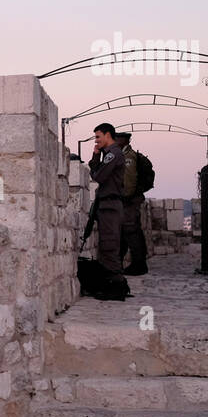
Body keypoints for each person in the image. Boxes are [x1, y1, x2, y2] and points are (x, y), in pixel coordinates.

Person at [86, 123, 128, 299]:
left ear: (108, 135)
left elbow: (98, 176)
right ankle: (113, 284)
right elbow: (97, 172)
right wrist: (96, 156)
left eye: (98, 137)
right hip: (107, 205)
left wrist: (97, 159)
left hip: (110, 205)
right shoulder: (108, 154)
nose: (96, 141)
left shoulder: (113, 154)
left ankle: (116, 288)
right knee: (106, 245)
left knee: (110, 245)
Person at [115, 131, 149, 276]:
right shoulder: (124, 155)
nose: (115, 140)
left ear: (124, 140)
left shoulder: (128, 157)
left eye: (117, 138)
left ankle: (138, 265)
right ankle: (123, 263)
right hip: (128, 201)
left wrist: (125, 197)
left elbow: (128, 181)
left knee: (131, 232)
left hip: (129, 201)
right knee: (126, 232)